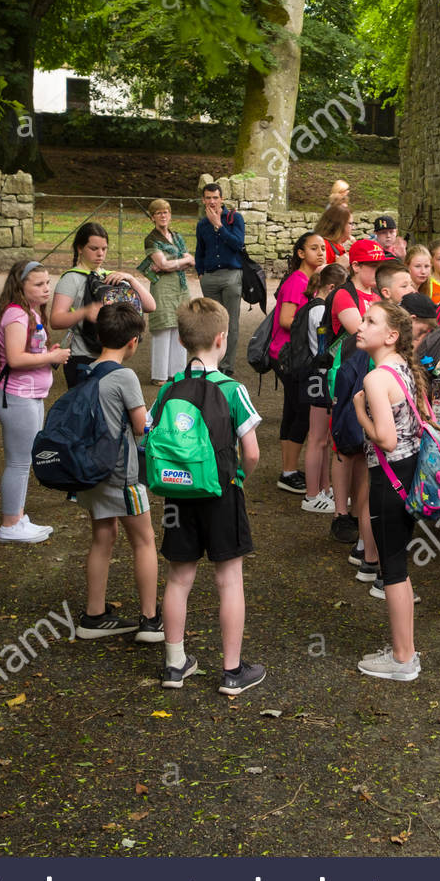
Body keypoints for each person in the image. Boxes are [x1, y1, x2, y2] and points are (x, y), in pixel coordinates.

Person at [156, 297, 265, 695]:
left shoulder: (169, 387)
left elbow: (151, 436)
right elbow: (251, 452)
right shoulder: (233, 389)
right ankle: (233, 672)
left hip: (177, 495)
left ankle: (174, 664)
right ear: (222, 339)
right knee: (229, 579)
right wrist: (239, 477)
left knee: (179, 578)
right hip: (222, 494)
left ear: (183, 340)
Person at [69, 304, 162, 641]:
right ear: (133, 342)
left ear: (98, 335)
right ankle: (151, 619)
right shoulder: (124, 376)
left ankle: (93, 615)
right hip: (122, 474)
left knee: (103, 537)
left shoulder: (88, 370)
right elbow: (141, 427)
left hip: (92, 471)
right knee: (144, 540)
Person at [353, 301, 430, 681]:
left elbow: (385, 438)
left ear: (391, 336)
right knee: (397, 562)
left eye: (370, 322)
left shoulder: (375, 379)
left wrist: (359, 413)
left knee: (393, 569)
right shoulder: (405, 370)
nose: (360, 326)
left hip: (389, 478)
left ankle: (402, 658)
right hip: (411, 471)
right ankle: (405, 650)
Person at [0, 260, 70, 544]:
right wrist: (51, 358)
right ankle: (10, 524)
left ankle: (18, 515)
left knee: (23, 460)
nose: (46, 288)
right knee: (19, 463)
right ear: (20, 286)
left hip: (30, 396)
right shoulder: (16, 316)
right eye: (38, 284)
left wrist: (48, 352)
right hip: (16, 398)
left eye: (48, 282)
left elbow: (29, 351)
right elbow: (15, 358)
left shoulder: (30, 312)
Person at [325, 238, 396, 545]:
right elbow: (361, 332)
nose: (377, 271)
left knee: (366, 445)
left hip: (372, 375)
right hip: (347, 375)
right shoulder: (344, 294)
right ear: (355, 266)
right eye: (372, 266)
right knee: (344, 444)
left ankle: (357, 510)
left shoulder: (378, 294)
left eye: (381, 266)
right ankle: (341, 513)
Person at [51, 222, 155, 388]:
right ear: (80, 248)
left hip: (110, 357)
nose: (100, 254)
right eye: (94, 248)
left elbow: (150, 306)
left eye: (104, 249)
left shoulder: (109, 278)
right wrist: (85, 312)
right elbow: (55, 320)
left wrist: (130, 278)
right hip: (82, 357)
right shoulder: (71, 279)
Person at [270, 233, 324, 495]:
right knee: (303, 411)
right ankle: (288, 472)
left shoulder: (312, 281)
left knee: (293, 410)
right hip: (287, 356)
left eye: (323, 248)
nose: (321, 252)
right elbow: (285, 319)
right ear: (301, 253)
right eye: (314, 248)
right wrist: (315, 325)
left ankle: (288, 470)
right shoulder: (297, 281)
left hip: (293, 355)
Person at [299, 264, 348, 514]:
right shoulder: (319, 311)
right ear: (331, 288)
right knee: (317, 438)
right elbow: (322, 347)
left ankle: (325, 489)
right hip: (319, 378)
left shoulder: (320, 307)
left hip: (324, 376)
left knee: (325, 439)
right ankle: (311, 494)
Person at [139, 199, 194, 385]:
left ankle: (177, 373)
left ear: (170, 215)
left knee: (180, 326)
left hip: (180, 287)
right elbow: (163, 264)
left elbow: (190, 260)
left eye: (166, 212)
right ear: (152, 217)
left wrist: (171, 263)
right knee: (163, 328)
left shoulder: (177, 236)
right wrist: (180, 261)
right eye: (159, 213)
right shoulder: (151, 239)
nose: (163, 216)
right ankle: (160, 375)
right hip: (162, 288)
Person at [194, 183, 245, 376]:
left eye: (215, 197)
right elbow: (200, 251)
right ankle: (212, 363)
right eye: (208, 198)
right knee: (213, 322)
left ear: (221, 199)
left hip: (231, 276)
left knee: (230, 323)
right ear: (203, 200)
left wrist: (219, 225)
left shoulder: (235, 219)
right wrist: (201, 273)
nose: (212, 201)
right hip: (210, 277)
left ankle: (226, 366)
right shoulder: (201, 224)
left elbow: (238, 244)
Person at [315, 202, 353, 267]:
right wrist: (339, 266)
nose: (353, 228)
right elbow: (314, 273)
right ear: (339, 225)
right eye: (350, 224)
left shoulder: (337, 245)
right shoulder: (322, 245)